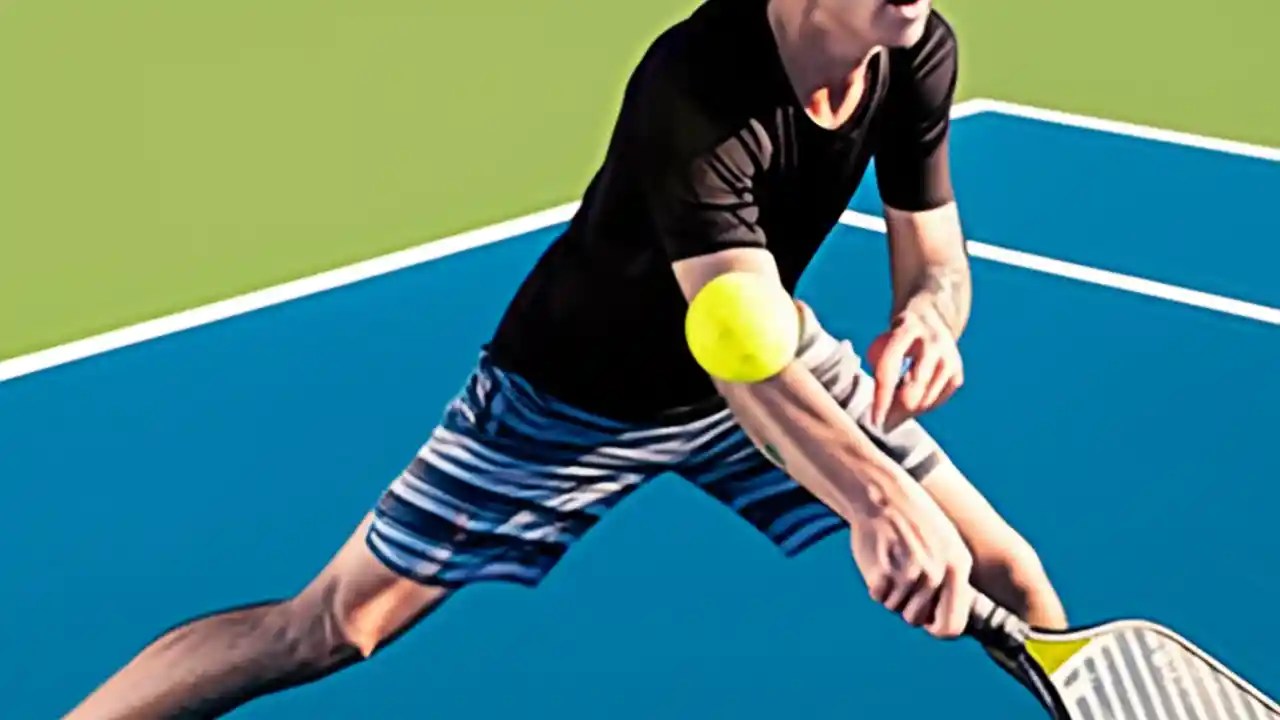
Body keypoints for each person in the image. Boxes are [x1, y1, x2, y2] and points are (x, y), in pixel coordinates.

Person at [66, 0, 1069, 717]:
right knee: (329, 628)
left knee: (1004, 566)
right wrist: (877, 501)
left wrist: (929, 315)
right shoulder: (696, 83)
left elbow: (932, 252)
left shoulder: (916, 46)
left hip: (763, 342)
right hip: (574, 397)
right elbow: (734, 363)